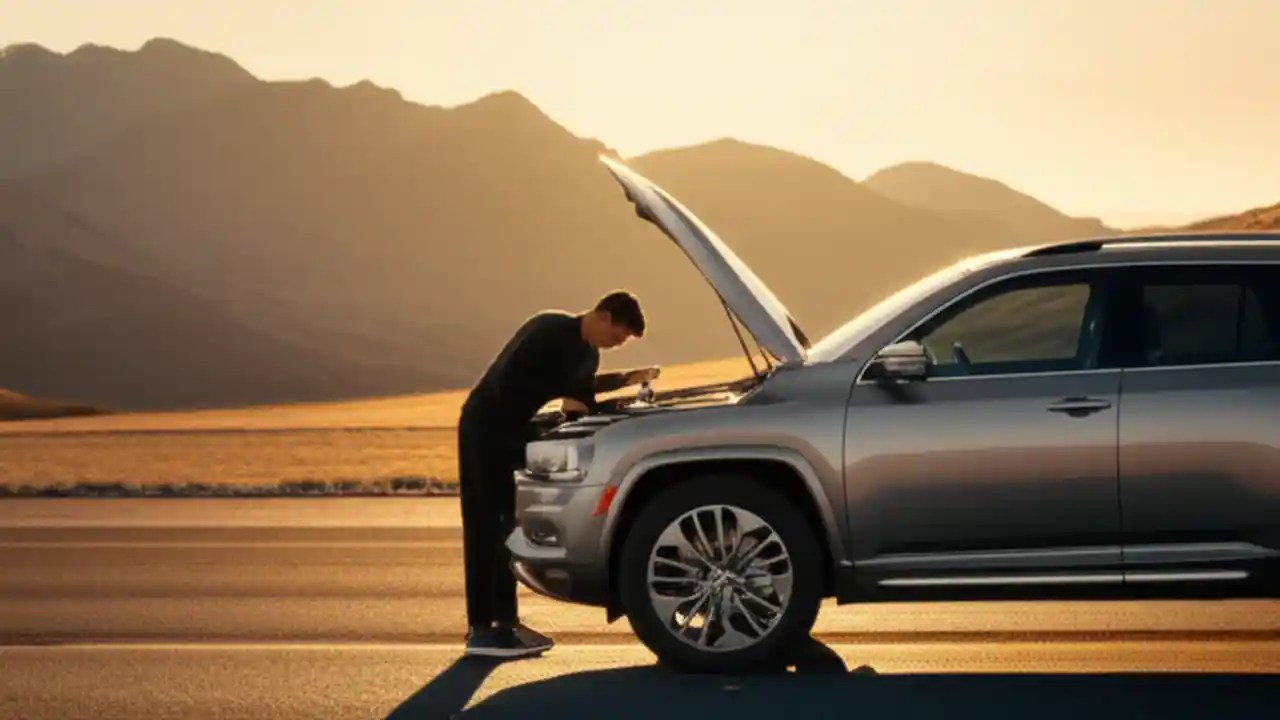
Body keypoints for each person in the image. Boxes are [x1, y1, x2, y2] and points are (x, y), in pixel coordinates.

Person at [457, 290, 647, 658]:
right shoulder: (549, 328)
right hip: (484, 427)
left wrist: (618, 384)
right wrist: (566, 393)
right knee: (483, 523)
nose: (617, 344)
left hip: (518, 431)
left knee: (509, 526)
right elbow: (509, 383)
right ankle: (480, 629)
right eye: (618, 336)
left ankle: (505, 622)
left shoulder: (589, 355)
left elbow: (578, 401)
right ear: (604, 315)